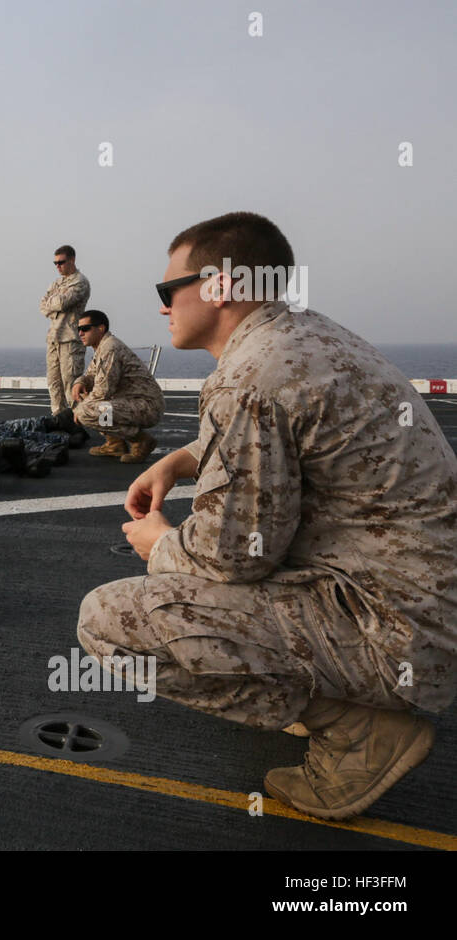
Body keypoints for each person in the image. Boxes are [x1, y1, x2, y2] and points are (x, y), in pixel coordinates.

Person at [77, 211, 457, 820]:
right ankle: (331, 695)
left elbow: (229, 554)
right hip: (419, 607)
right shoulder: (307, 338)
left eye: (167, 290)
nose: (162, 308)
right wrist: (179, 460)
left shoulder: (250, 378)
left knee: (108, 620)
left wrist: (160, 543)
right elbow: (296, 435)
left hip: (394, 634)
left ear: (219, 286)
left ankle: (359, 729)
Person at [69, 309, 164, 463]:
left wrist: (82, 410)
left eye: (85, 329)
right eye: (78, 329)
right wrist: (79, 382)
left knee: (87, 411)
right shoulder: (102, 347)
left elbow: (102, 391)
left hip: (146, 406)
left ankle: (141, 440)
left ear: (101, 328)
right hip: (132, 403)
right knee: (85, 399)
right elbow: (91, 375)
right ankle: (115, 444)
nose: (80, 333)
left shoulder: (110, 348)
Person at [40, 244, 90, 414]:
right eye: (55, 263)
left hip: (70, 339)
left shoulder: (80, 282)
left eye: (61, 262)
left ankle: (79, 419)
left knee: (71, 383)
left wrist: (53, 302)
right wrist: (54, 302)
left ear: (72, 260)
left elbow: (62, 302)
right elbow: (42, 305)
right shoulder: (57, 283)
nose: (58, 266)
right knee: (54, 383)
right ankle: (59, 418)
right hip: (54, 337)